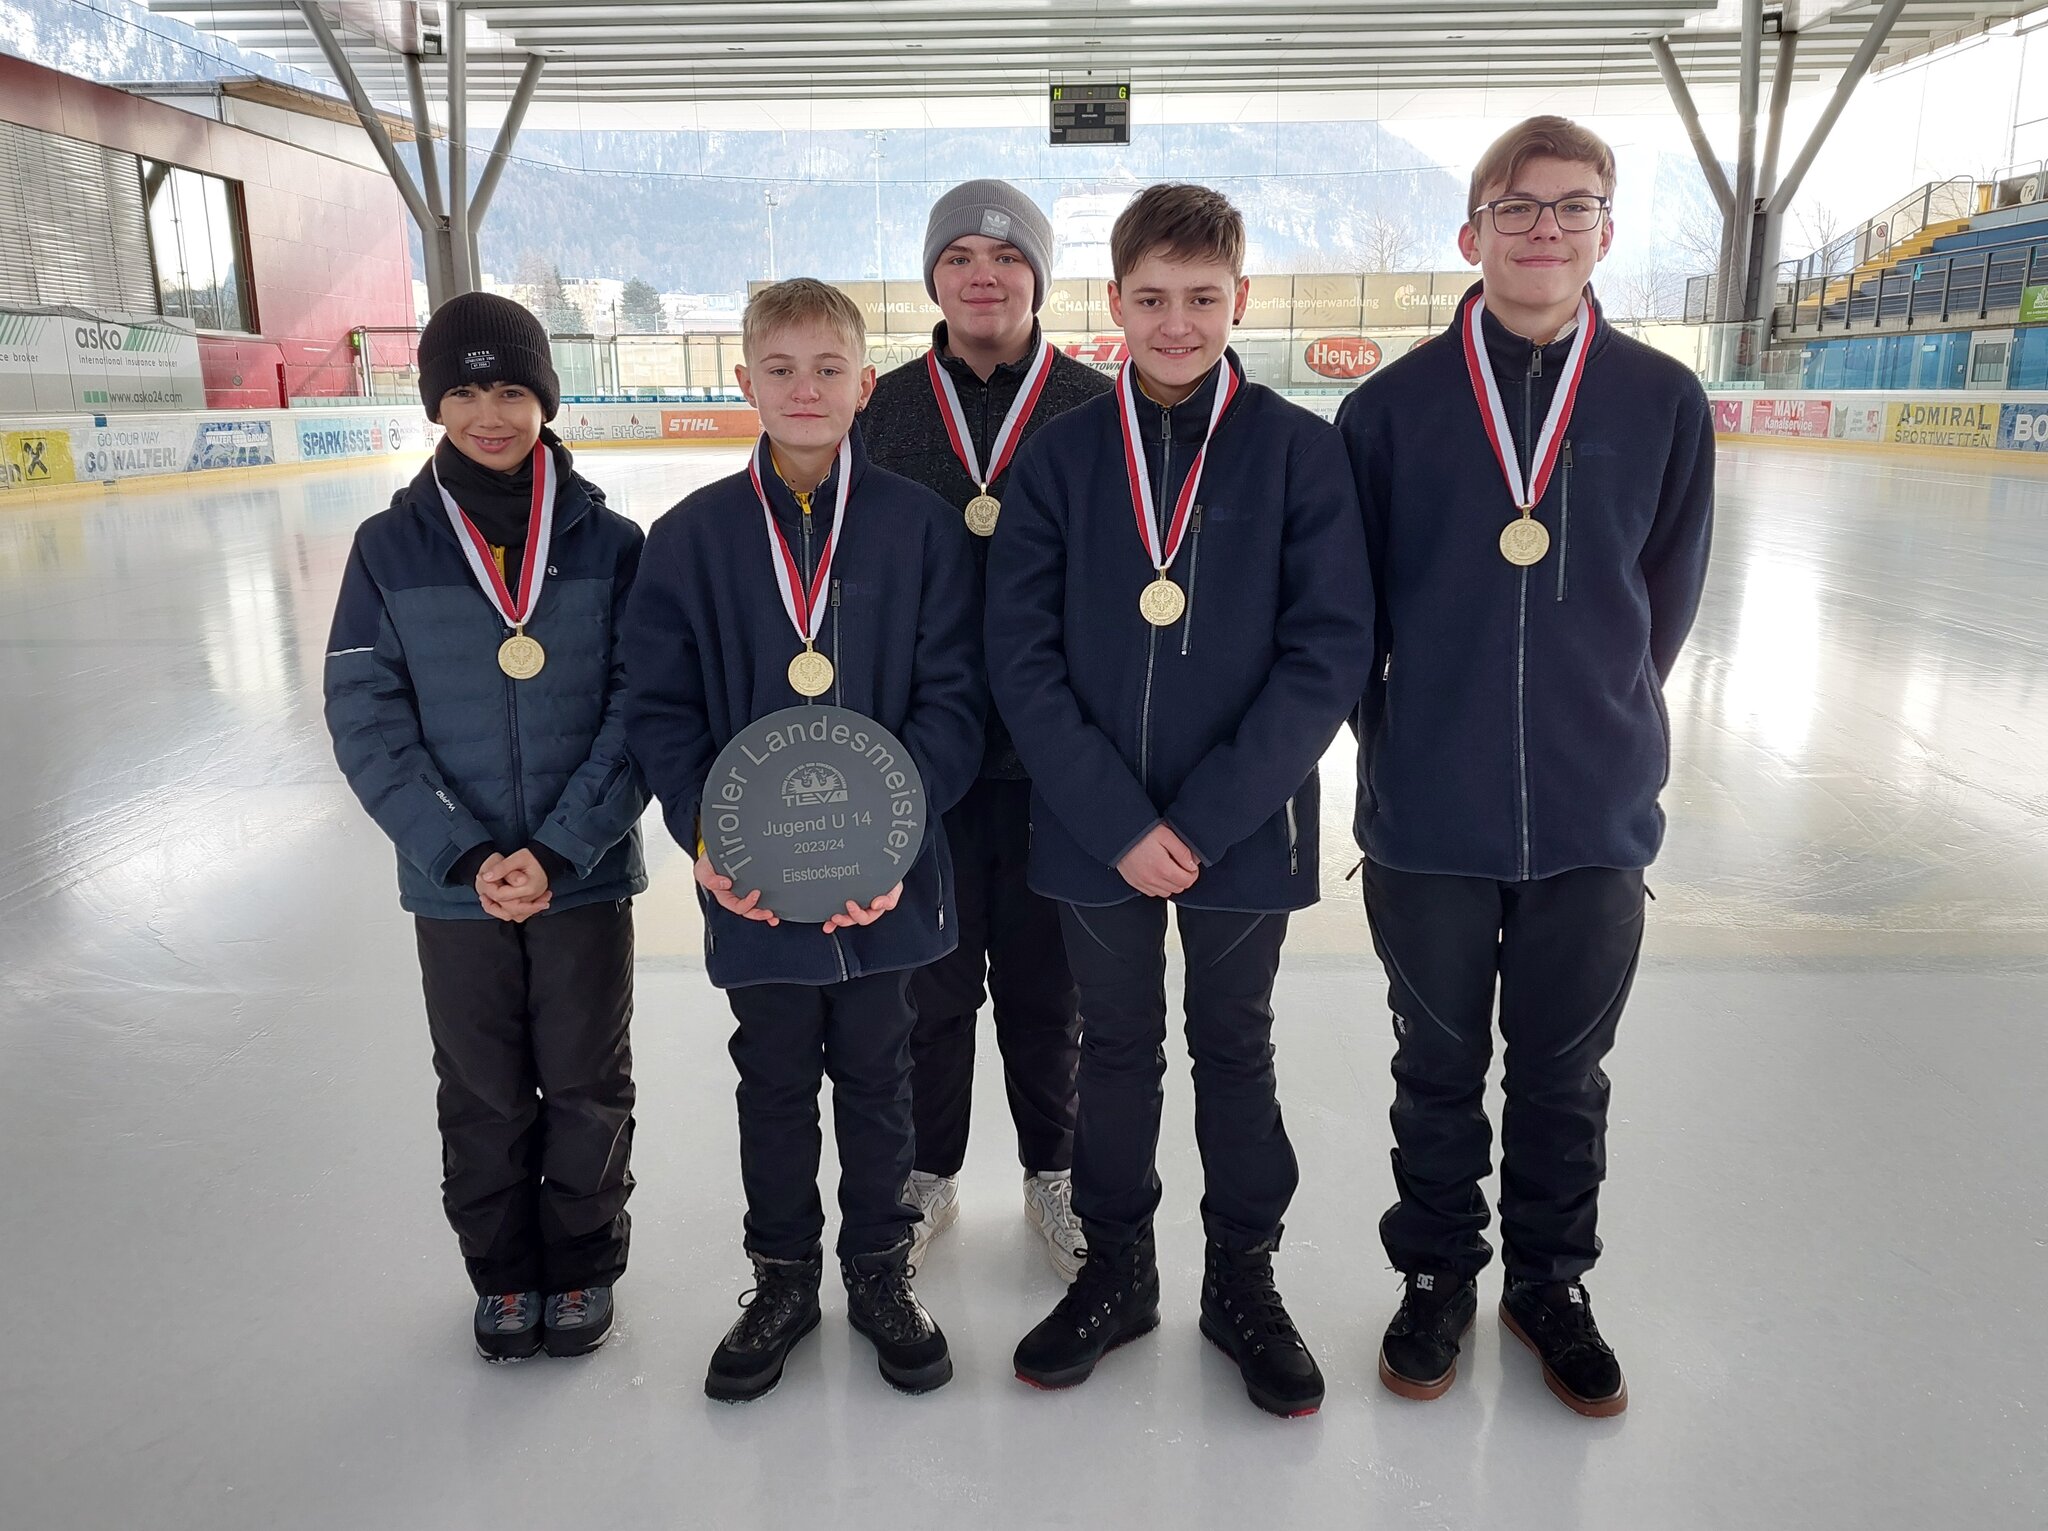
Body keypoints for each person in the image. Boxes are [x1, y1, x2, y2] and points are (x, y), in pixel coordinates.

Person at [1334, 115, 1715, 1417]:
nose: (1545, 227)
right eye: (1519, 207)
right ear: (1473, 232)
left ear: (1608, 230)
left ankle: (1550, 1281)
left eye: (1574, 205)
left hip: (1595, 815)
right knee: (1433, 1072)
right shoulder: (1386, 412)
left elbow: (1662, 602)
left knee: (1565, 1076)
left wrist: (1588, 723)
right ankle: (1436, 1270)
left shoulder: (1662, 403)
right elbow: (1354, 618)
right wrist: (1412, 743)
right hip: (1429, 816)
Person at [985, 184, 1374, 1417]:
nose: (1175, 321)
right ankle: (1118, 1270)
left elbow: (1327, 652)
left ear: (1239, 301)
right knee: (1113, 1051)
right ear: (1113, 305)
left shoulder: (1301, 453)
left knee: (1234, 1047)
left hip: (1241, 827)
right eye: (1150, 298)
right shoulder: (1058, 457)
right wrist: (1117, 819)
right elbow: (1022, 658)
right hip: (1094, 827)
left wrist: (1200, 820)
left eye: (1201, 298)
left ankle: (1242, 1278)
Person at [621, 278, 985, 1403]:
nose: (804, 389)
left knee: (880, 1077)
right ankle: (780, 1277)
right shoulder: (687, 541)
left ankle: (878, 1269)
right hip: (754, 885)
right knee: (772, 1079)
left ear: (865, 385)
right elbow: (660, 707)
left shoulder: (921, 531)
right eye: (778, 369)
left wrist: (893, 841)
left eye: (828, 369)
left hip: (886, 886)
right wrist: (706, 832)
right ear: (742, 383)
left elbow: (953, 700)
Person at [324, 291, 647, 1363]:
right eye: (462, 390)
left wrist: (563, 845)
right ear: (434, 403)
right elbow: (365, 716)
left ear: (545, 398)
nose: (489, 412)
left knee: (586, 1078)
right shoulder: (387, 549)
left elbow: (636, 709)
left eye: (511, 388)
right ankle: (504, 1272)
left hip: (581, 875)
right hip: (452, 883)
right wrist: (458, 850)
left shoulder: (611, 543)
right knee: (480, 1084)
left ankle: (584, 1259)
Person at [863, 178, 1112, 1281]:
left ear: (1037, 280)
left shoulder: (1096, 404)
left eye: (1007, 258)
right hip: (927, 750)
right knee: (931, 977)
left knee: (1050, 983)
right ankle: (927, 1169)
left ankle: (1055, 1169)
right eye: (959, 254)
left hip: (1061, 751)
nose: (983, 273)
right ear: (932, 277)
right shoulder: (878, 408)